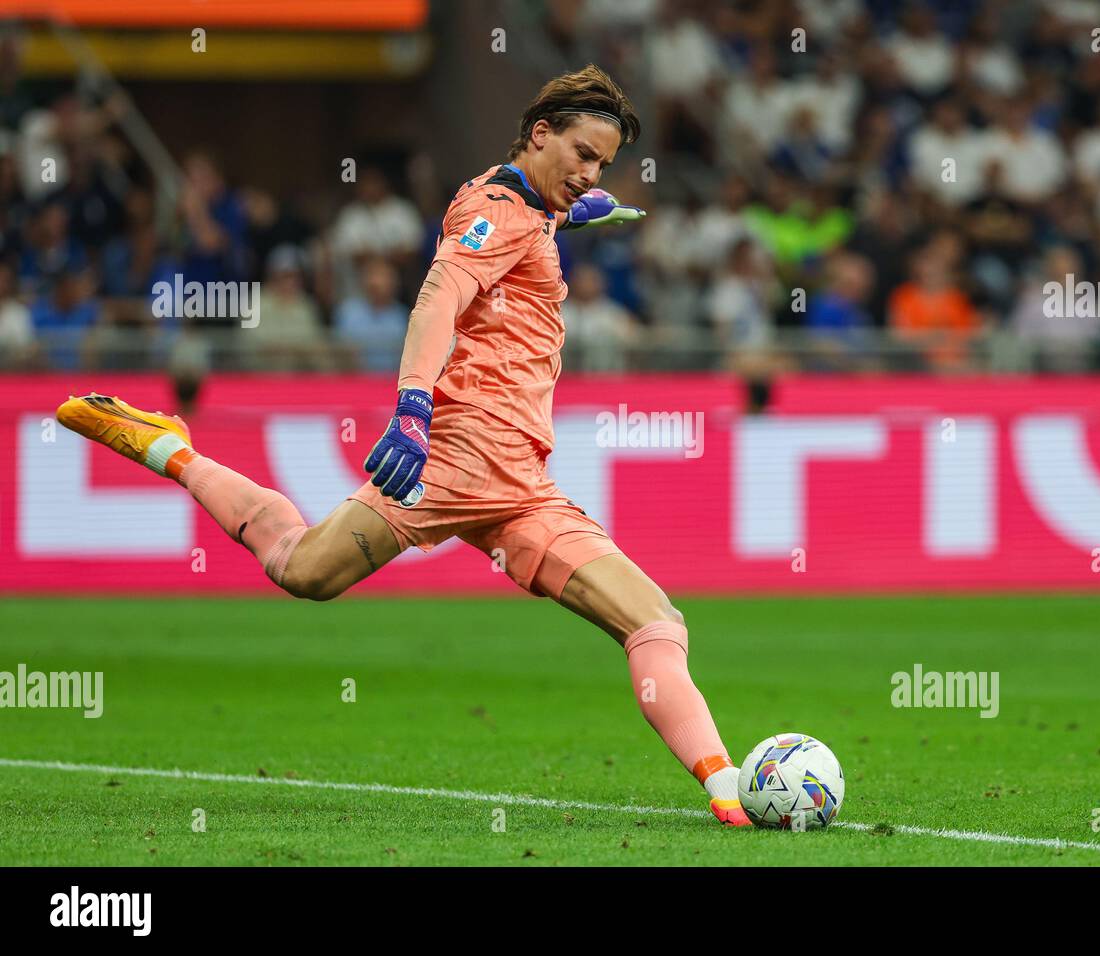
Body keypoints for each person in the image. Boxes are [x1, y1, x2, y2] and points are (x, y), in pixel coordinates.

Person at [55, 64, 751, 827]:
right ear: (540, 134)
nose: (589, 171)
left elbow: (543, 213)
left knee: (656, 621)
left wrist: (587, 207)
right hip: (450, 462)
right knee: (302, 570)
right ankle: (171, 450)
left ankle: (729, 791)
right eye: (583, 154)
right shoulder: (495, 212)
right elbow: (439, 297)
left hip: (522, 484)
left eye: (603, 163)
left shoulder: (529, 199)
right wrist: (412, 407)